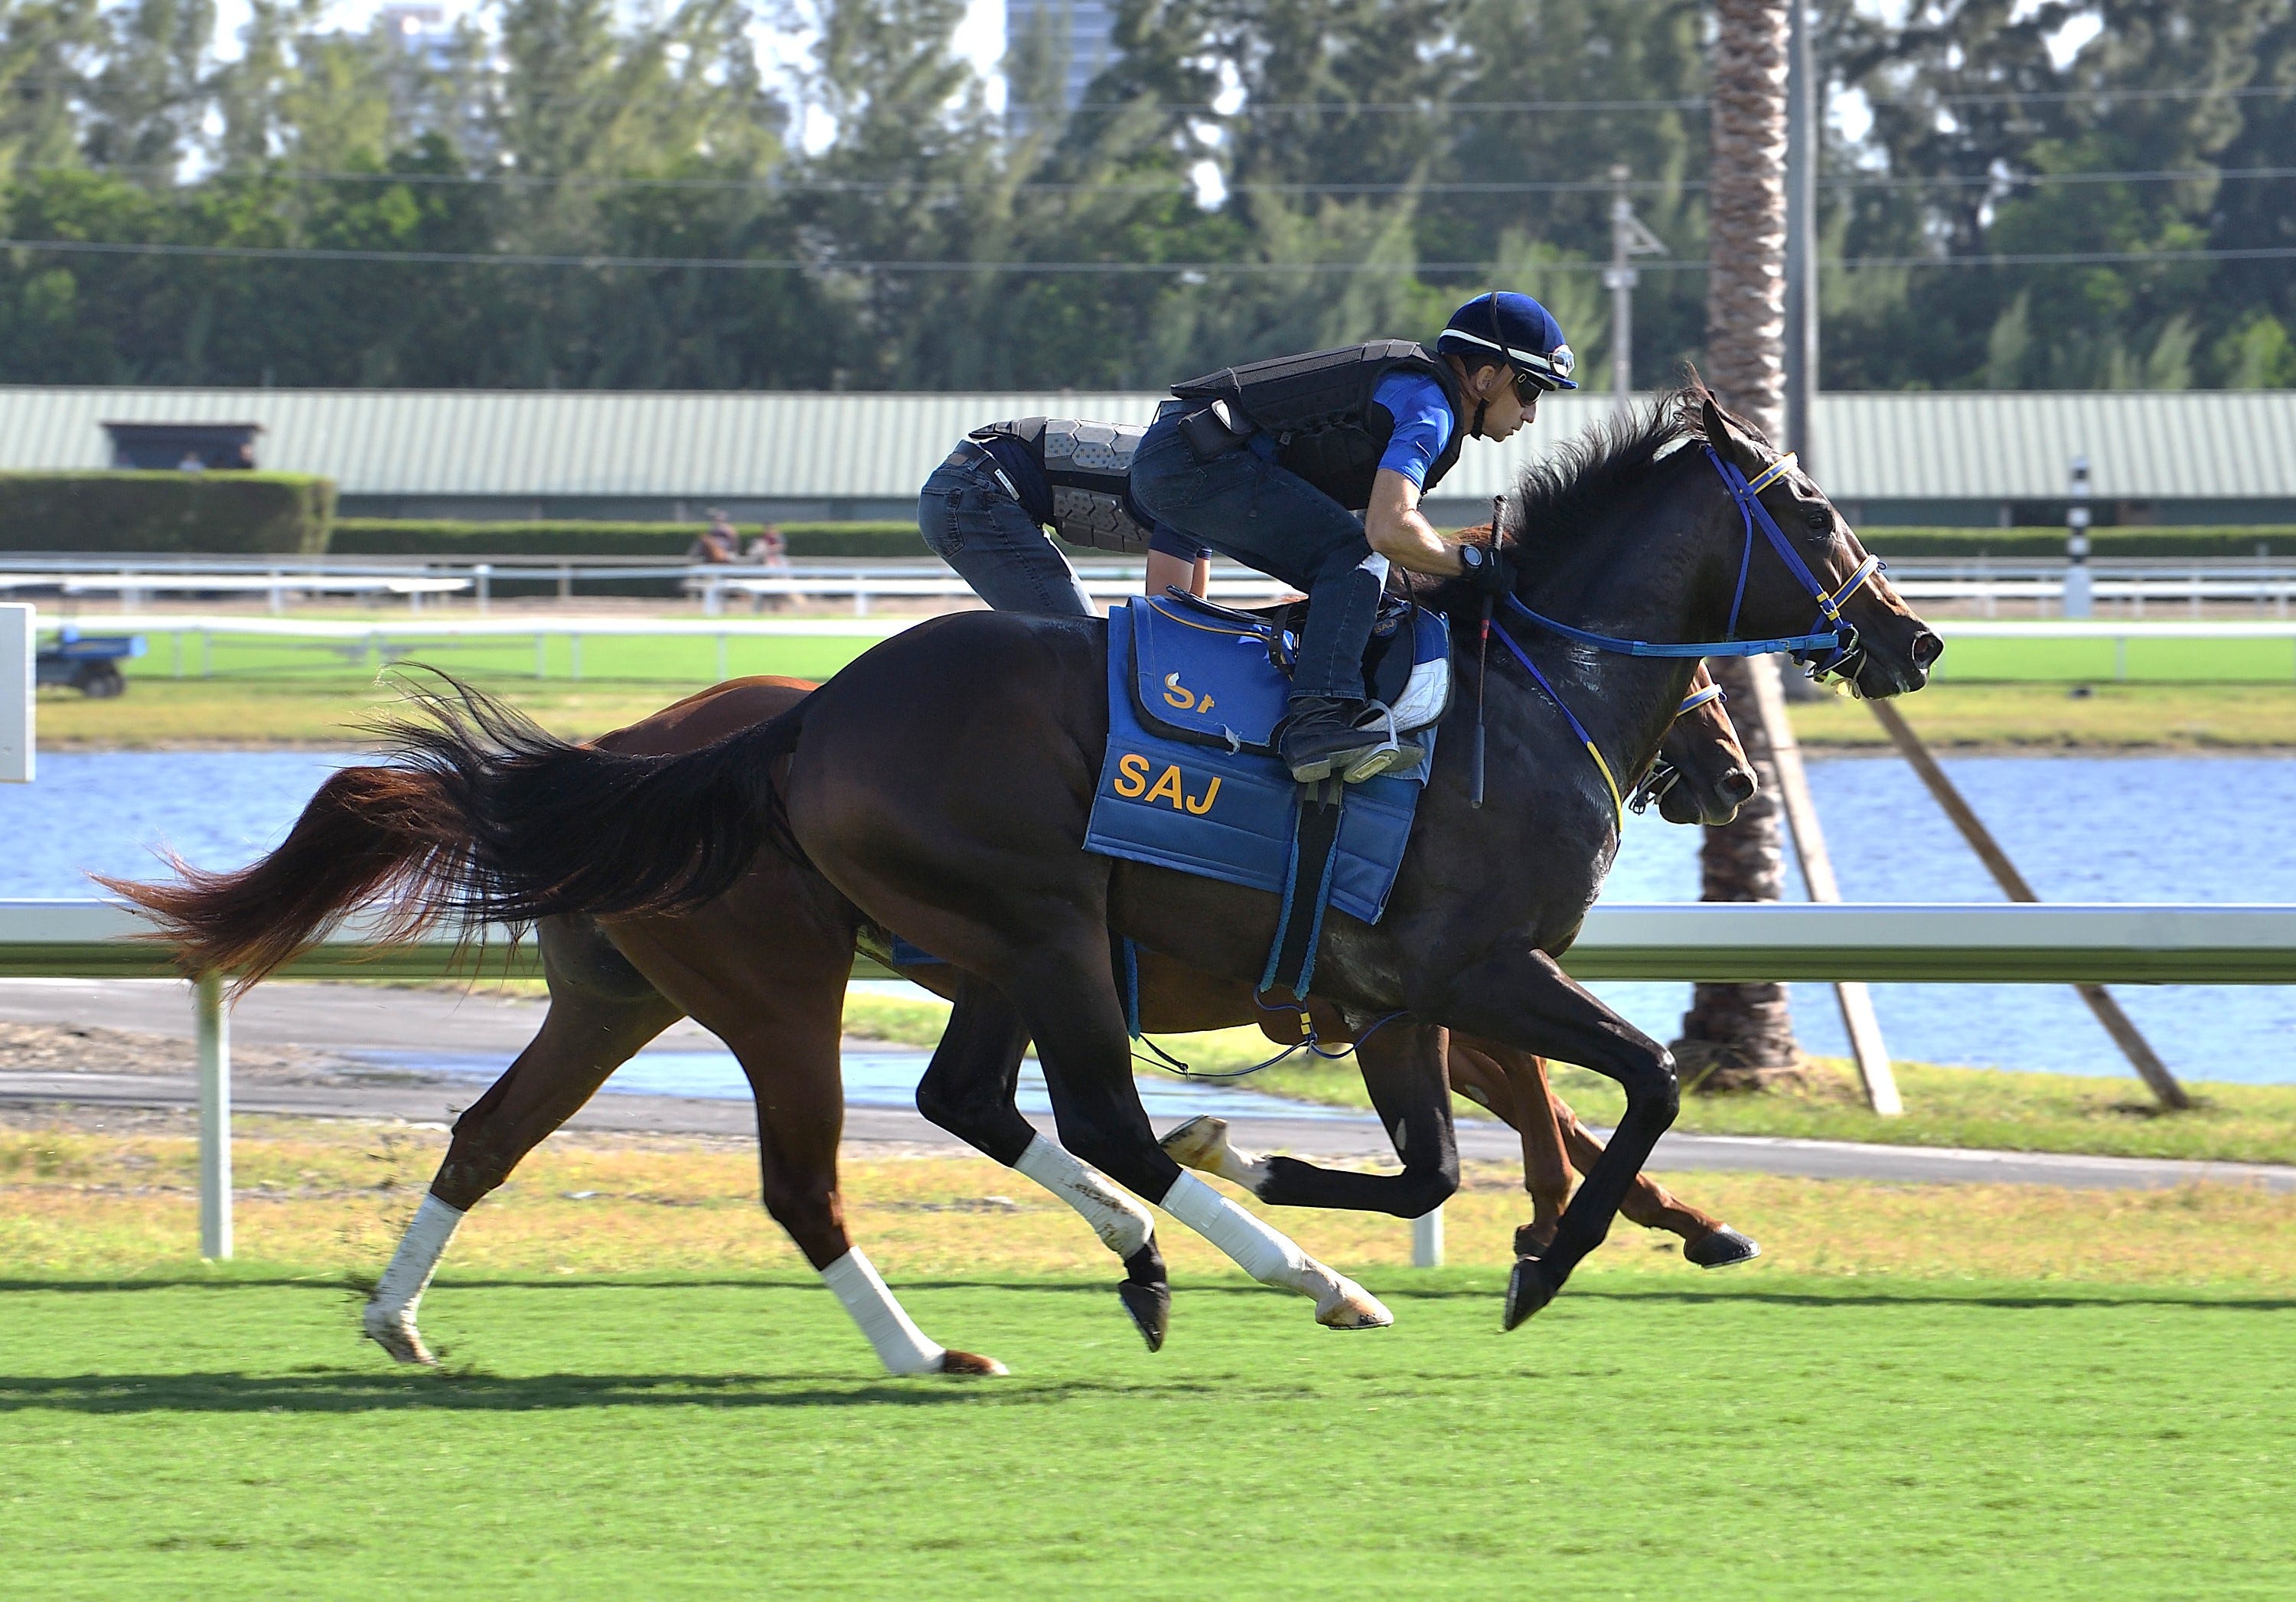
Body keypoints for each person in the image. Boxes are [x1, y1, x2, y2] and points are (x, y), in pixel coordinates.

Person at [1129, 291, 1577, 783]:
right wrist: (1472, 563)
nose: (1532, 414)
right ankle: (1318, 721)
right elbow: (1387, 530)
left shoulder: (1424, 395)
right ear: (1486, 376)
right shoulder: (1431, 409)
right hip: (1191, 460)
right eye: (1531, 390)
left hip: (1186, 453)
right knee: (1354, 556)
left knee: (1360, 569)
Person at [917, 418, 1208, 618]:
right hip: (974, 492)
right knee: (1080, 649)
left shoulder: (1206, 495)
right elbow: (1166, 623)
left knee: (1078, 651)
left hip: (968, 486)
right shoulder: (1193, 494)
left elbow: (1193, 610)